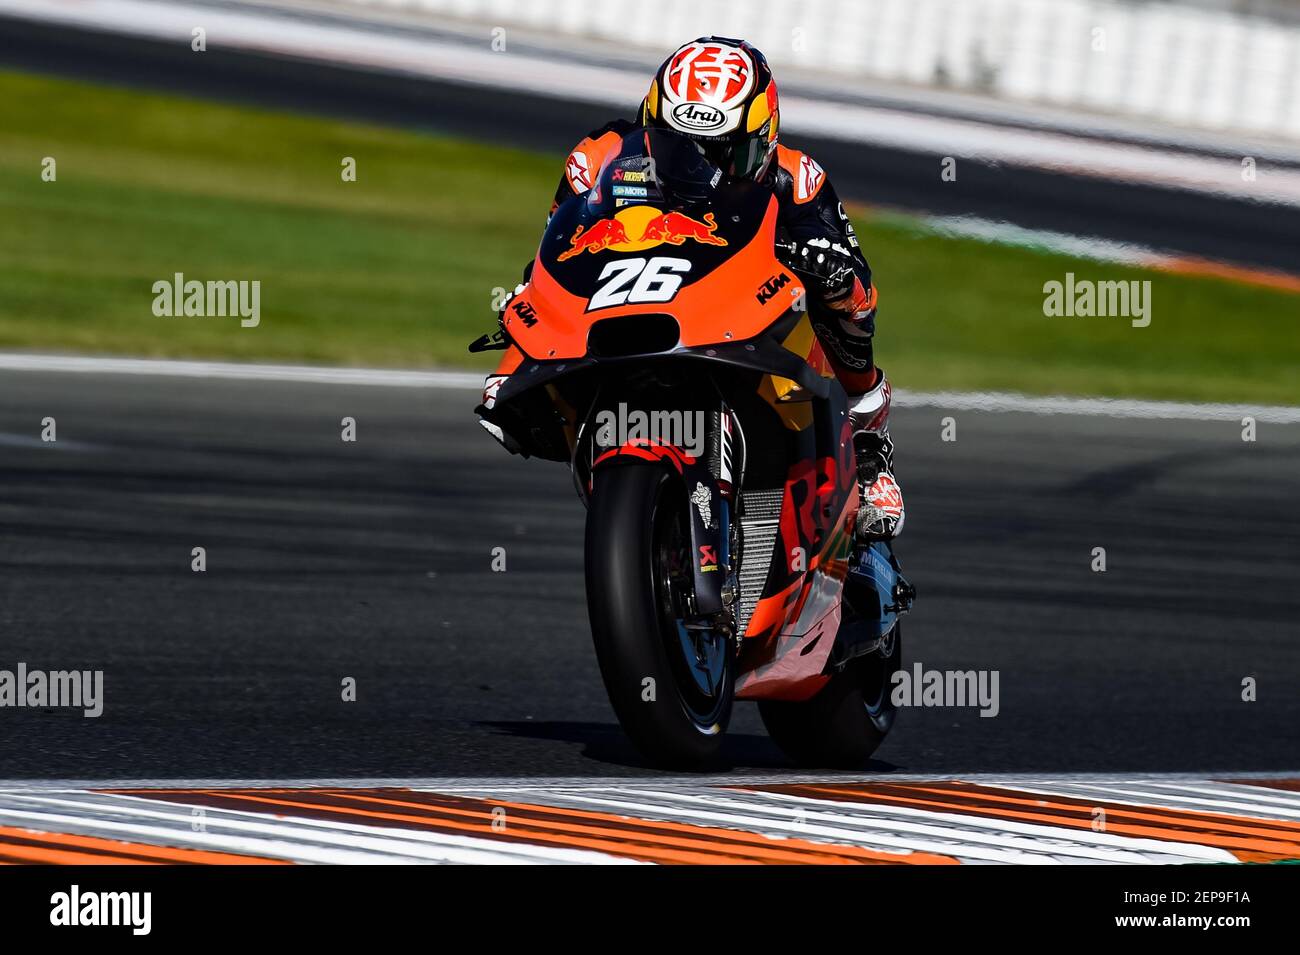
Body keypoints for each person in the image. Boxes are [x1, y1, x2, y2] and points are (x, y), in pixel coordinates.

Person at [507, 36, 904, 540]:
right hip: (642, 291)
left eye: (724, 155)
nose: (700, 168)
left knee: (837, 304)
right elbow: (559, 239)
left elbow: (860, 294)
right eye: (679, 147)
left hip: (744, 304)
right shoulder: (596, 157)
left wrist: (831, 272)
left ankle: (869, 452)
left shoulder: (797, 179)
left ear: (764, 138)